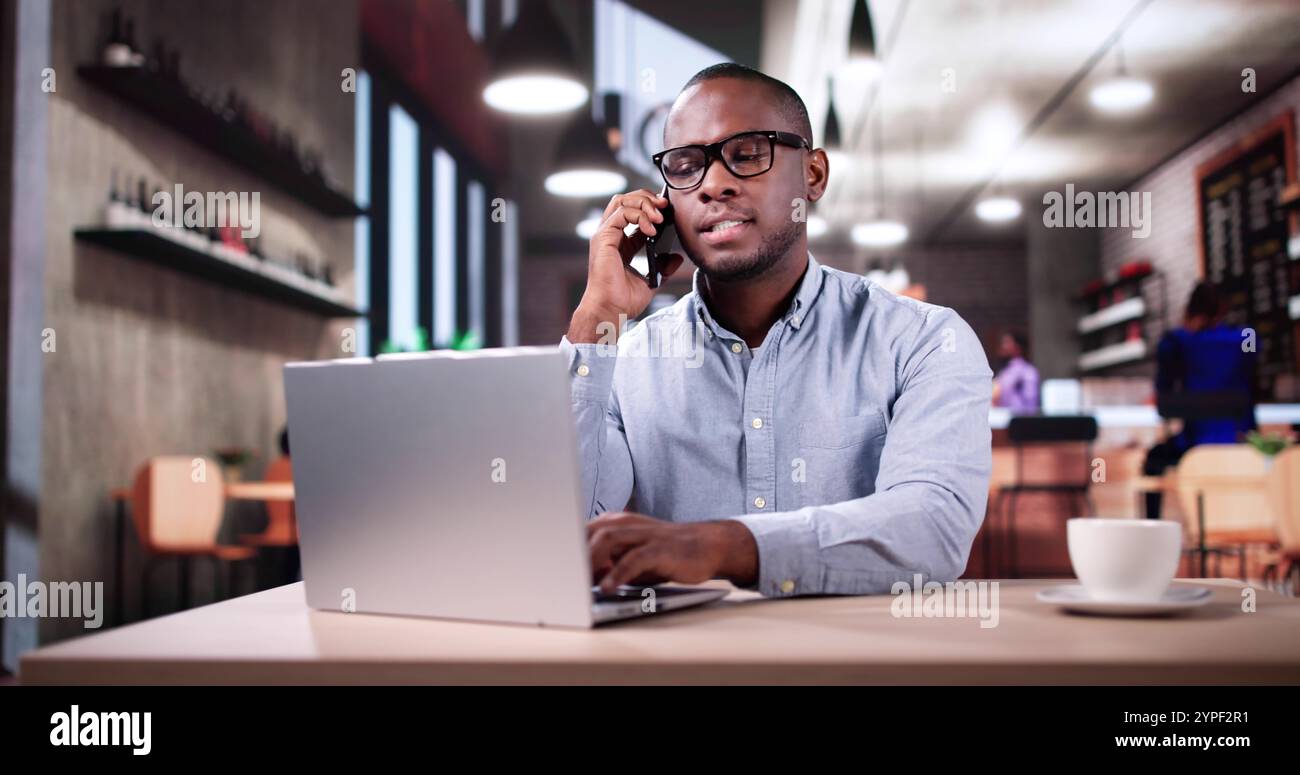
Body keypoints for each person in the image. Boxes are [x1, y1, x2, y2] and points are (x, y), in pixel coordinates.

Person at [559, 63, 992, 597]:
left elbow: (933, 528)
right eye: (686, 166)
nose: (713, 184)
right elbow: (564, 533)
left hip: (859, 649)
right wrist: (596, 316)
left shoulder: (923, 341)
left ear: (813, 175)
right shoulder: (625, 361)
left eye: (746, 155)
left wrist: (721, 547)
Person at [1142, 282, 1256, 519]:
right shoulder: (1246, 337)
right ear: (1223, 308)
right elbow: (1252, 382)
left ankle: (1152, 525)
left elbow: (1164, 391)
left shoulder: (1175, 341)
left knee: (1153, 461)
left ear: (1190, 308)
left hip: (1193, 443)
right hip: (1240, 441)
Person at [992, 330, 1039, 412]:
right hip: (1001, 416)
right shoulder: (1004, 371)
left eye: (1007, 343)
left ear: (1018, 347)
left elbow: (1031, 403)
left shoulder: (1027, 371)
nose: (1002, 346)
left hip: (1019, 417)